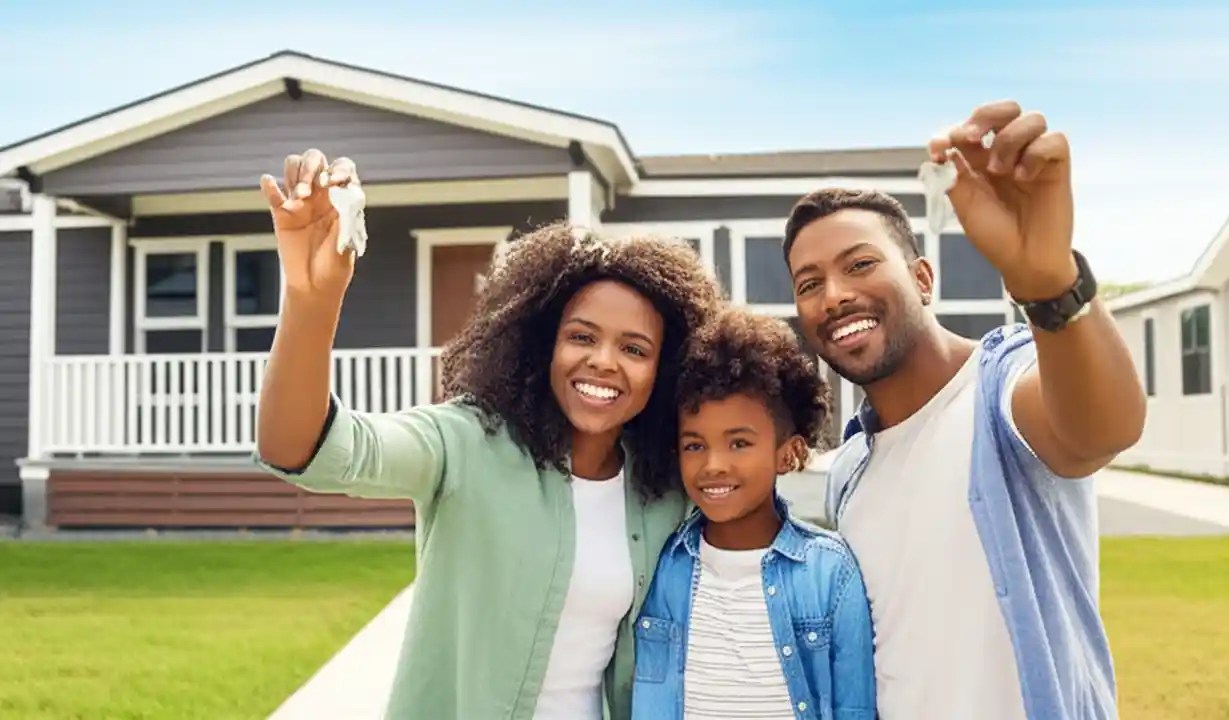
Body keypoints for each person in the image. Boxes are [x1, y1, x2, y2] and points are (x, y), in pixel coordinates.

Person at [252, 149, 723, 720]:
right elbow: (307, 449)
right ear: (542, 344)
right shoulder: (468, 442)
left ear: (664, 369)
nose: (603, 362)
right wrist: (311, 300)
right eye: (581, 337)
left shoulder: (663, 491)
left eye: (634, 349)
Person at [784, 101, 1146, 720]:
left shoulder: (1002, 385)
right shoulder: (850, 471)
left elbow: (1100, 430)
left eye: (860, 264)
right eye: (809, 283)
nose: (835, 295)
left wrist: (1050, 285)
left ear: (922, 278)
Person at [631, 308, 876, 720]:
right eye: (695, 445)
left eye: (739, 444)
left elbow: (855, 706)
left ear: (789, 453)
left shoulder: (830, 573)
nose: (713, 465)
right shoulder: (661, 564)